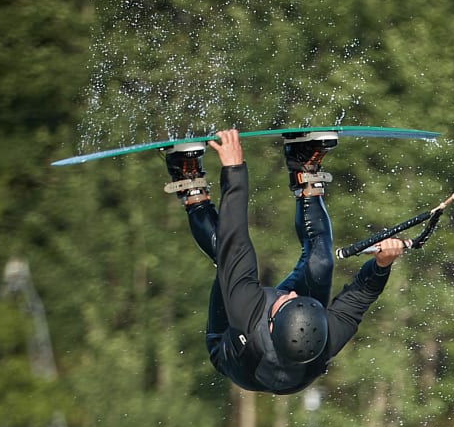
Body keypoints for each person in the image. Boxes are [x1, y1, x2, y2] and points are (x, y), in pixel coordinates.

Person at [164, 129, 406, 397]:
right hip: (281, 343)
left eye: (286, 300)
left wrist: (234, 170)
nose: (290, 292)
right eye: (295, 298)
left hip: (229, 343)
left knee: (226, 257)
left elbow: (236, 243)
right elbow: (361, 297)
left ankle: (188, 180)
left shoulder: (247, 315)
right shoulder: (325, 338)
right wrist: (382, 264)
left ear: (270, 323)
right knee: (321, 263)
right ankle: (304, 167)